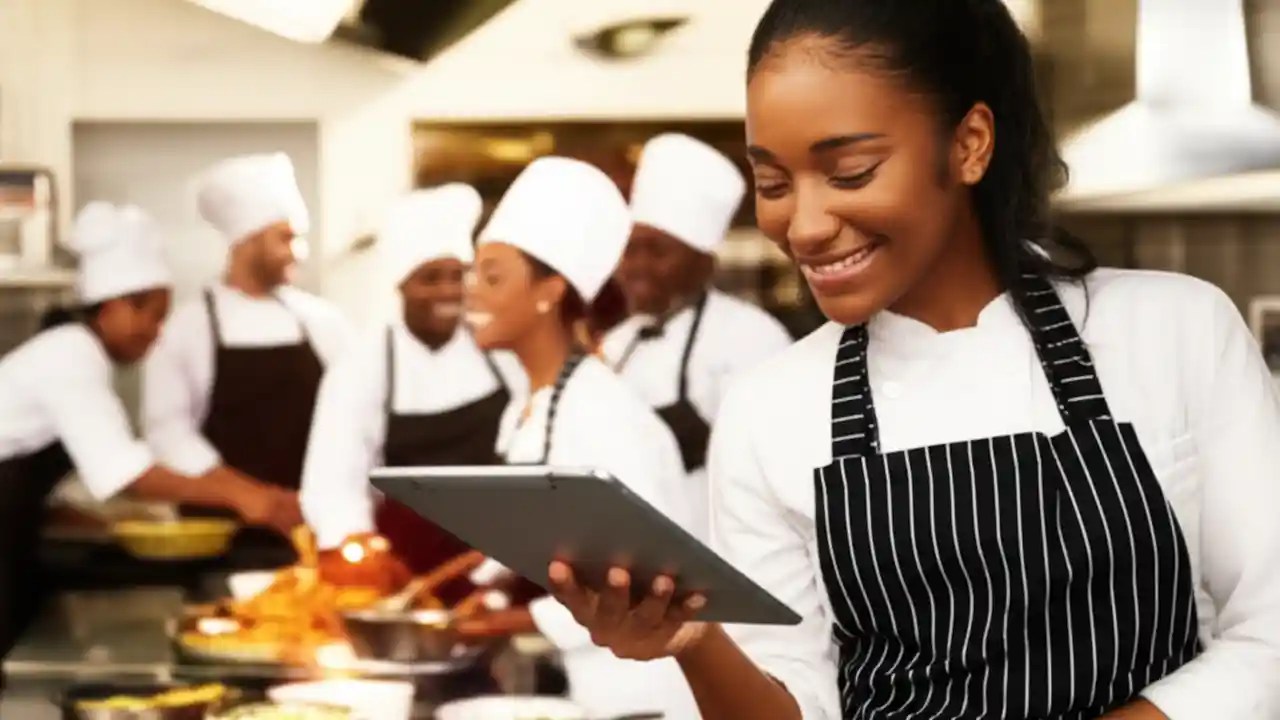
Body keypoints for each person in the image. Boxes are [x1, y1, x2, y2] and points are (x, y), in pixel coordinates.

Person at [542, 1, 1280, 719]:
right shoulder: (770, 408)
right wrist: (694, 643)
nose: (802, 227)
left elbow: (1269, 634)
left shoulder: (1176, 329)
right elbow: (797, 700)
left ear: (969, 144)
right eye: (772, 184)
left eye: (852, 172)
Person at [0, 203, 294, 667]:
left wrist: (91, 522)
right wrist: (240, 496)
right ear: (117, 305)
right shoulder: (71, 355)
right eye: (153, 316)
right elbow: (125, 474)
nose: (156, 334)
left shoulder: (75, 353)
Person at [464, 157, 699, 719]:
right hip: (588, 681)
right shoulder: (531, 405)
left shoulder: (601, 411)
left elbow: (645, 572)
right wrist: (488, 582)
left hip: (643, 696)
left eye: (492, 276)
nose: (470, 293)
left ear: (549, 290)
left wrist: (510, 620)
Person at [299, 184, 526, 599]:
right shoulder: (362, 367)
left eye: (458, 275)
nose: (447, 292)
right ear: (400, 284)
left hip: (499, 566)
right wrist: (365, 558)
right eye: (429, 278)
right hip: (405, 576)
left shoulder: (500, 352)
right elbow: (334, 482)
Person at [143, 152, 351, 564]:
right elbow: (168, 432)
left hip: (310, 532)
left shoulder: (324, 321)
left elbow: (351, 419)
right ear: (247, 239)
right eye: (286, 237)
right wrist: (254, 498)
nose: (300, 252)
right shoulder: (187, 327)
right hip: (215, 539)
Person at [605, 132, 793, 541]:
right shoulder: (615, 346)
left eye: (656, 251)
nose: (636, 267)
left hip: (722, 556)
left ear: (703, 264)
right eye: (629, 249)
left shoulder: (753, 339)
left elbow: (774, 467)